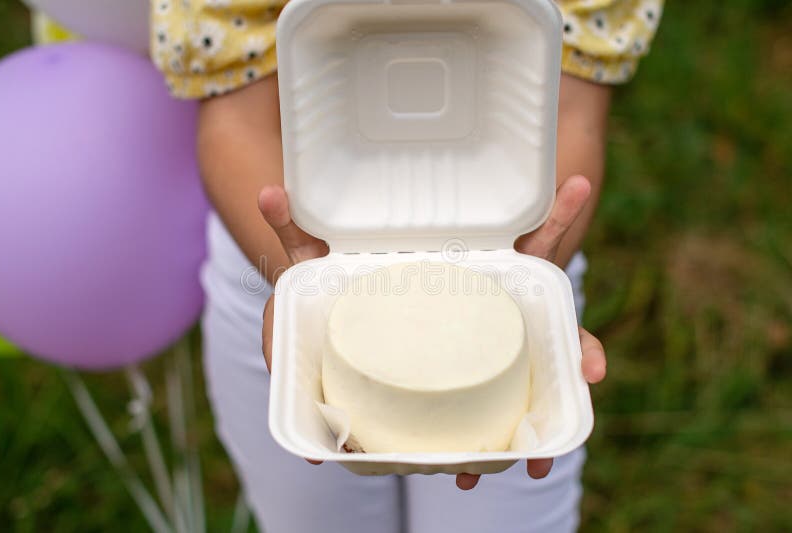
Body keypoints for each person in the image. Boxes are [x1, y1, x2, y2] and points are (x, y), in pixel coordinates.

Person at [150, 1, 664, 531]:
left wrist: (523, 269)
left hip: (507, 273)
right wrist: (307, 283)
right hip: (279, 275)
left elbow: (573, 110)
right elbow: (235, 118)